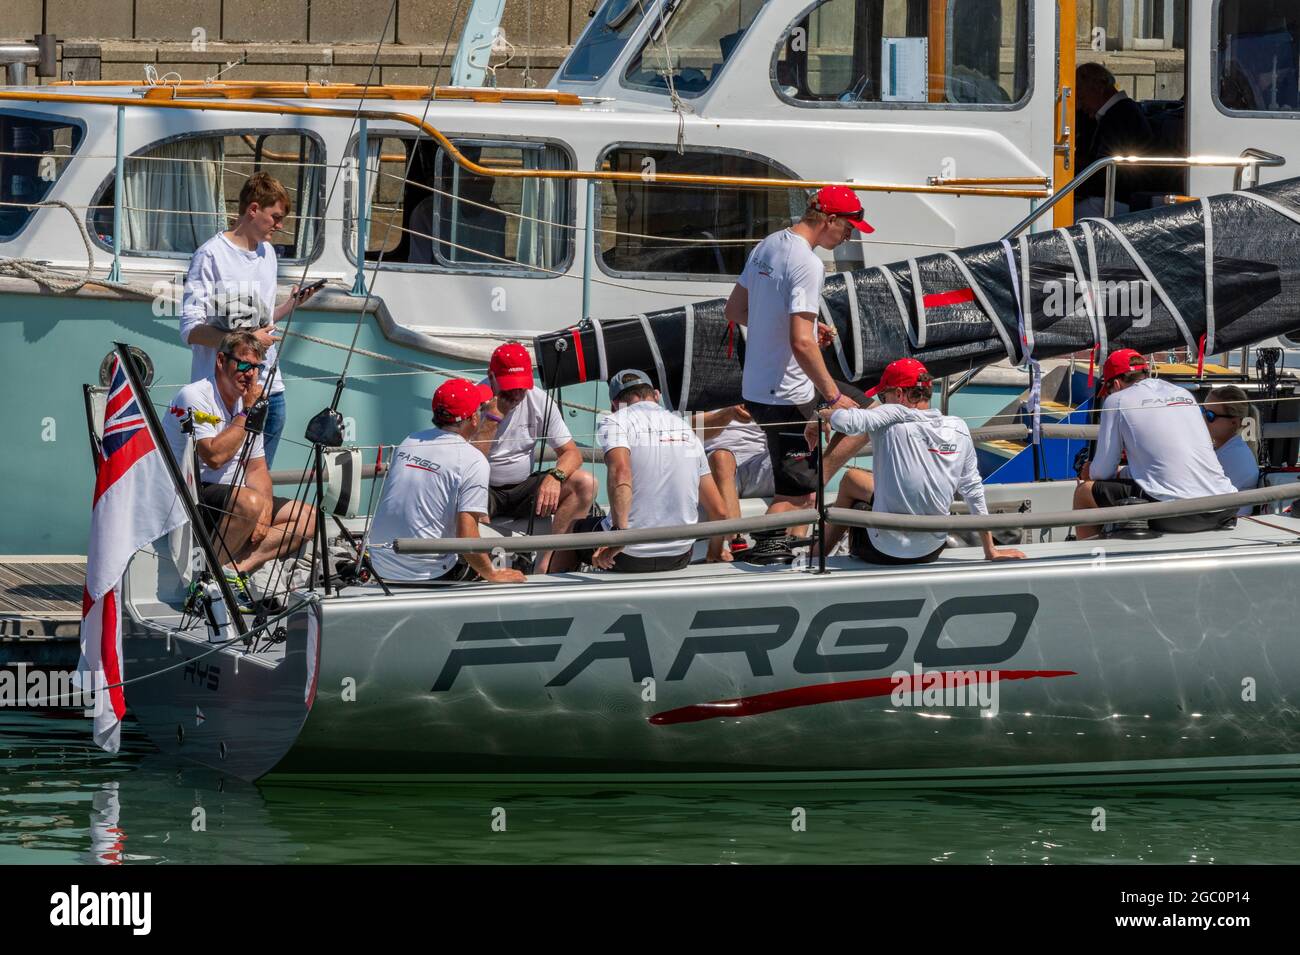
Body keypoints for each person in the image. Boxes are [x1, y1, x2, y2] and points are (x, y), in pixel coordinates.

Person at [725, 184, 871, 563]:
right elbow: (801, 344)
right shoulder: (809, 263)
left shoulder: (769, 244)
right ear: (830, 220)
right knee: (796, 493)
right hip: (787, 395)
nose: (850, 234)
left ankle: (811, 486)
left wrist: (800, 325)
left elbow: (736, 310)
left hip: (759, 388)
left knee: (863, 411)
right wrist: (834, 397)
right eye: (850, 226)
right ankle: (759, 555)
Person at [162, 331, 316, 609]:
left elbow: (257, 467)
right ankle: (208, 584)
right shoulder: (195, 396)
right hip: (192, 493)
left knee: (307, 517)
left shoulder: (247, 403)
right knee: (250, 502)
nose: (251, 375)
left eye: (257, 368)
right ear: (221, 361)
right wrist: (246, 412)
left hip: (236, 498)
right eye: (244, 365)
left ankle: (233, 571)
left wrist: (266, 511)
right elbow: (214, 457)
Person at [817, 358, 1025, 564]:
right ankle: (820, 552)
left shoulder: (892, 413)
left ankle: (817, 556)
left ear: (898, 394)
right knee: (856, 479)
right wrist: (990, 550)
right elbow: (973, 490)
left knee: (850, 479)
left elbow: (849, 422)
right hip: (932, 549)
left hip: (883, 551)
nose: (881, 402)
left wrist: (822, 414)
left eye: (883, 395)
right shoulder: (958, 427)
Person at [180, 172, 320, 468]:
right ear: (253, 210)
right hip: (225, 395)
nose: (280, 226)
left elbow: (263, 322)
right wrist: (250, 342)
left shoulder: (268, 253)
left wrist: (290, 305)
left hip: (270, 388)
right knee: (226, 483)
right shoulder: (210, 256)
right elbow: (191, 330)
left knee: (258, 481)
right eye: (276, 217)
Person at [553, 369, 726, 574]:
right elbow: (720, 512)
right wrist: (714, 553)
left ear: (615, 404)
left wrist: (619, 536)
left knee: (572, 529)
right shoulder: (685, 427)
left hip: (626, 555)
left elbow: (620, 473)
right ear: (656, 395)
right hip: (679, 556)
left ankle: (551, 587)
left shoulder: (615, 421)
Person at [367, 378, 527, 585]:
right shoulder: (473, 459)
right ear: (474, 419)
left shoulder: (410, 441)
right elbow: (466, 535)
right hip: (428, 573)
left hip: (378, 564)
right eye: (480, 409)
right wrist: (493, 574)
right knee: (511, 561)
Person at [1073, 350, 1238, 539]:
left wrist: (1089, 472)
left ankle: (1091, 562)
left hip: (1177, 513)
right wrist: (1122, 471)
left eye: (1108, 390)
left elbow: (1101, 473)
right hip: (1224, 506)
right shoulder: (1184, 393)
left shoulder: (1116, 400)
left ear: (1116, 384)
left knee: (1084, 493)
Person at [470, 342, 598, 572]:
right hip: (483, 487)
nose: (518, 393)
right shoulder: (473, 400)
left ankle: (548, 566)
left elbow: (572, 453)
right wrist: (491, 420)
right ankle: (477, 570)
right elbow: (469, 465)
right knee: (459, 496)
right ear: (491, 376)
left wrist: (556, 477)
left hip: (522, 488)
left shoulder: (538, 400)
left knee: (585, 483)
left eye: (522, 385)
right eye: (510, 386)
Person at [693, 405, 773, 561]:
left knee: (805, 455)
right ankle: (737, 544)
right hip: (715, 465)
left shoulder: (762, 385)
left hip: (760, 463)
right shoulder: (695, 388)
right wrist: (728, 413)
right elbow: (692, 429)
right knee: (721, 458)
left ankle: (804, 547)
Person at [1074, 63, 1154, 217]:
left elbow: (1103, 172)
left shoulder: (1121, 116)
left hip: (1123, 197)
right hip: (1118, 192)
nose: (1079, 104)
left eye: (1081, 97)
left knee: (1077, 212)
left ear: (1099, 87)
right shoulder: (1112, 113)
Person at [1203, 385, 1260, 517]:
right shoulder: (1224, 448)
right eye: (1203, 411)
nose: (1203, 418)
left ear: (1234, 423)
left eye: (1210, 416)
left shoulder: (1235, 456)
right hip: (1219, 521)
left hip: (1228, 525)